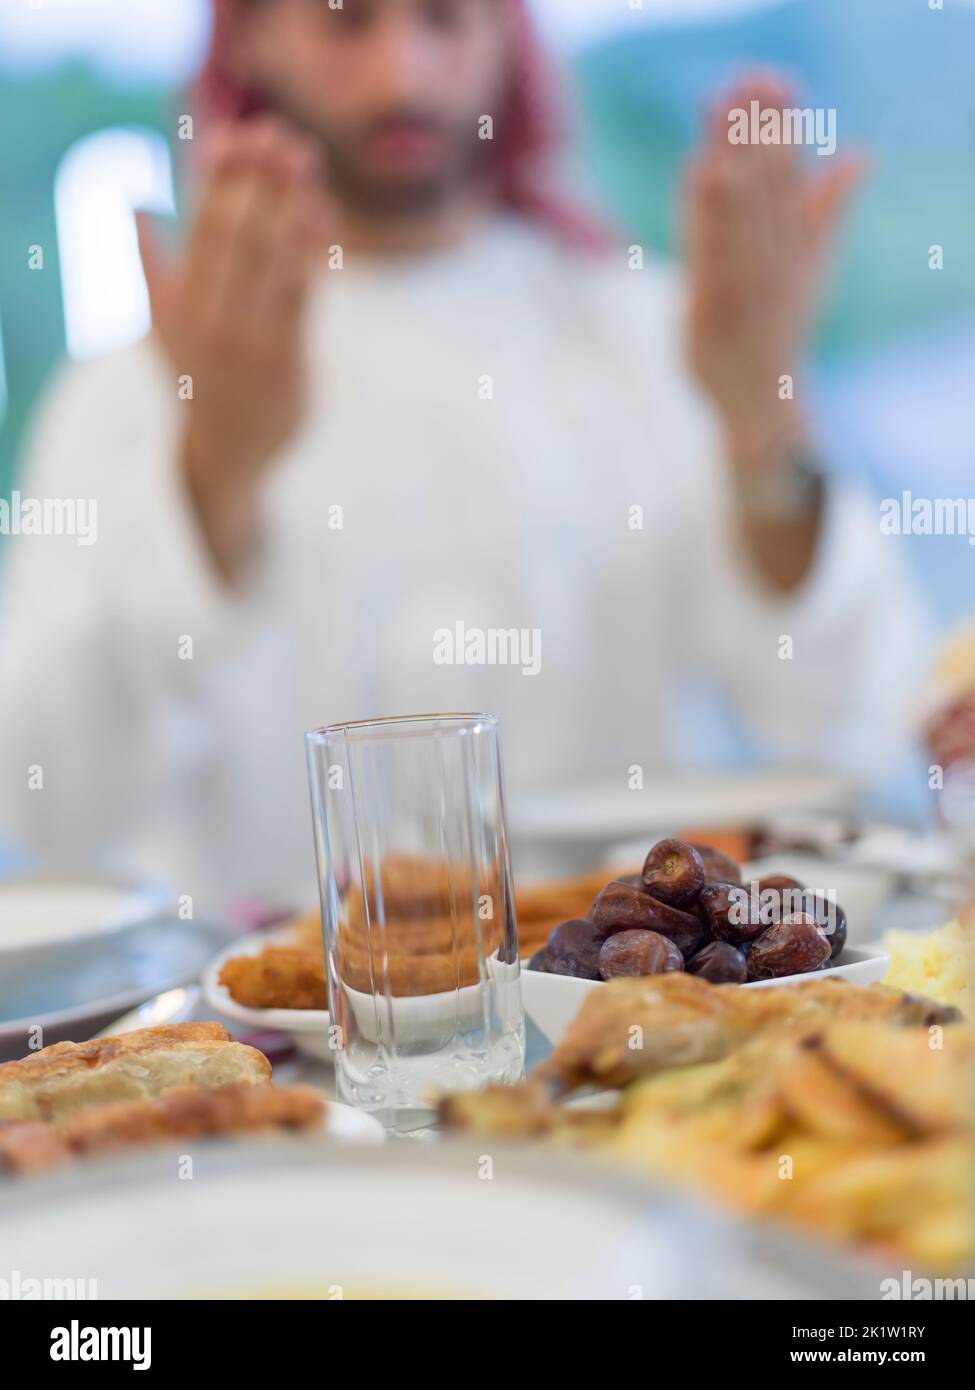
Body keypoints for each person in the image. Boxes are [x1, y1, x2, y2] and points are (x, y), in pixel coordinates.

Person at [0, 0, 925, 906]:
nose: (401, 75)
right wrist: (214, 477)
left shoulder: (655, 337)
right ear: (253, 37)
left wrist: (761, 420)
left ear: (505, 36)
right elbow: (52, 804)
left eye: (444, 17)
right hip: (276, 1003)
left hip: (636, 987)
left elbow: (865, 728)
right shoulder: (136, 390)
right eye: (346, 21)